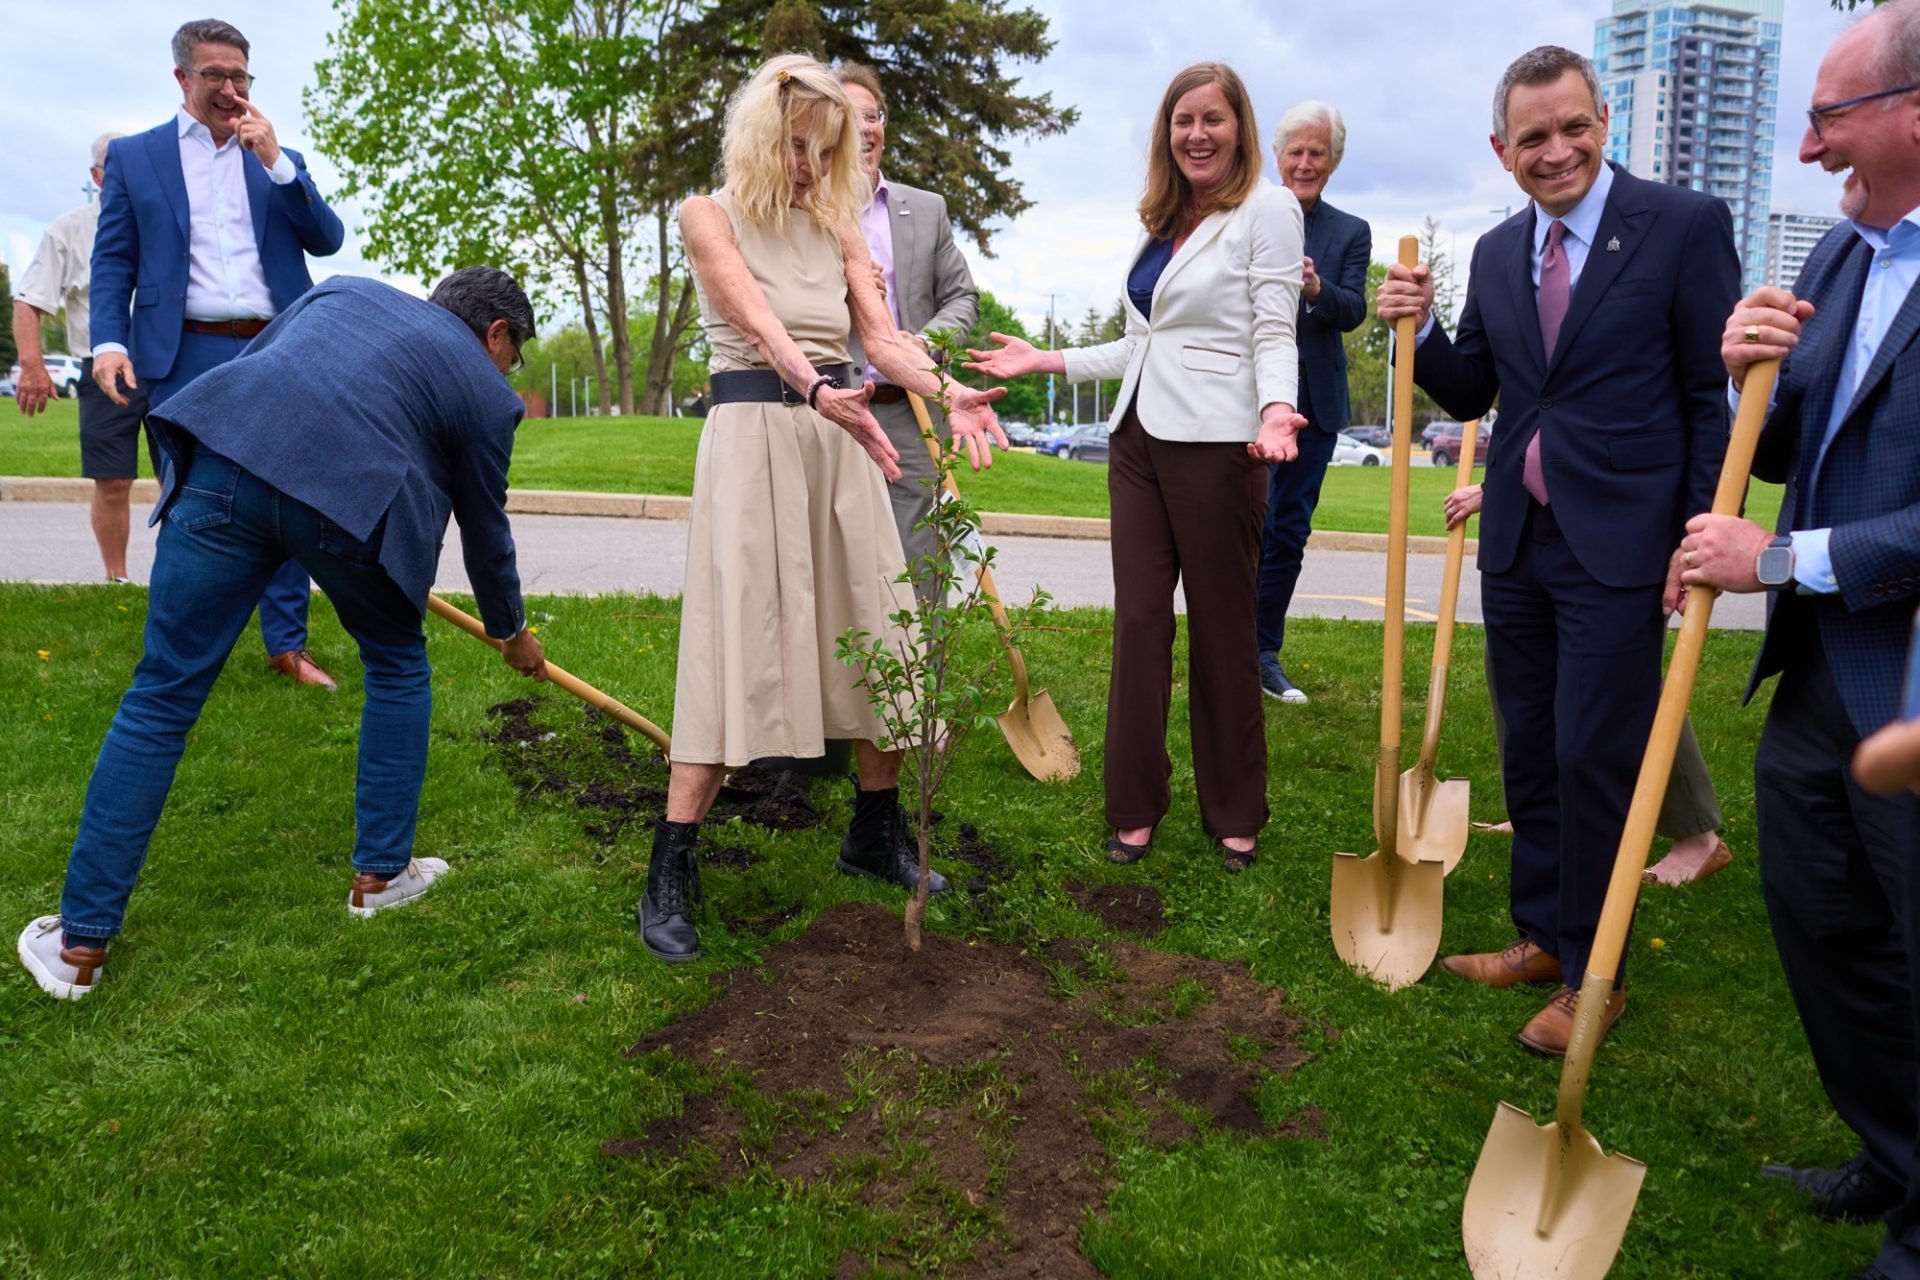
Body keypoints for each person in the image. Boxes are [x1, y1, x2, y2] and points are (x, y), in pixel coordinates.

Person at [15, 268, 548, 1002]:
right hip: (350, 507)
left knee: (162, 694)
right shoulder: (488, 393)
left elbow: (255, 371)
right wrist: (512, 631)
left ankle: (78, 949)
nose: (507, 370)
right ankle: (381, 876)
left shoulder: (344, 291)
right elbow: (486, 528)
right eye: (513, 355)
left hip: (225, 466)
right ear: (497, 334)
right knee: (396, 663)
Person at [1377, 45, 1738, 1055]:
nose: (1557, 150)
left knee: (1595, 753)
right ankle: (1541, 933)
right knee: (1528, 742)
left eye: (1573, 126)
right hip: (1521, 539)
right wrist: (1420, 326)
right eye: (1533, 137)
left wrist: (1701, 530)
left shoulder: (1680, 227)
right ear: (1503, 149)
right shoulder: (1498, 252)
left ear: (1603, 120)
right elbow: (1474, 389)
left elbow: (1711, 399)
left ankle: (1596, 969)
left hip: (1624, 540)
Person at [642, 55, 1007, 966]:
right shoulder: (706, 215)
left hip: (840, 441)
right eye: (798, 144)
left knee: (881, 630)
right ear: (764, 135)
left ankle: (875, 832)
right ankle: (671, 866)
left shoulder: (842, 223)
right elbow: (758, 319)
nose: (810, 163)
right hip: (758, 435)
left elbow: (879, 338)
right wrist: (814, 387)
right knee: (739, 641)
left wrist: (947, 386)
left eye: (826, 147)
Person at [1676, 5, 1920, 1272]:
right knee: (1824, 918)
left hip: (1913, 681)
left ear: (1912, 112)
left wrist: (1774, 561)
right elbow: (1780, 449)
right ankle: (1898, 1148)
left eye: (1830, 115)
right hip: (1826, 668)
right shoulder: (1834, 258)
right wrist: (1739, 372)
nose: (1813, 145)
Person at [968, 62, 1305, 874]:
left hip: (1224, 446)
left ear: (1239, 127)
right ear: (1167, 133)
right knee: (1141, 625)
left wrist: (1274, 409)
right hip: (1138, 445)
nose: (1196, 134)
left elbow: (1273, 324)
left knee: (1225, 633)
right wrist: (1043, 358)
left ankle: (1234, 812)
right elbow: (1139, 344)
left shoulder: (1268, 208)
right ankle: (1134, 807)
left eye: (1212, 120)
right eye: (1182, 120)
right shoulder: (1164, 219)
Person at [90, 18, 346, 690]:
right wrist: (109, 344)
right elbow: (114, 259)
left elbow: (326, 239)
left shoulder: (275, 155)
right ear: (182, 79)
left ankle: (287, 644)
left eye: (240, 76)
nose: (231, 89)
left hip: (277, 348)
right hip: (181, 353)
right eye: (215, 76)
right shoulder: (137, 157)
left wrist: (279, 163)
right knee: (185, 500)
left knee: (288, 494)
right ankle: (177, 649)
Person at [1447, 480, 1734, 886]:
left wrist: (1698, 533)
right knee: (1515, 661)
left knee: (1618, 677)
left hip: (1616, 515)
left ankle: (1695, 835)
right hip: (1533, 516)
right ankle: (1543, 810)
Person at [832, 62, 981, 600]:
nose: (865, 129)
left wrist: (923, 344)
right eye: (850, 118)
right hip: (836, 405)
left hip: (911, 408)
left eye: (873, 116)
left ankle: (923, 680)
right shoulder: (806, 212)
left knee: (919, 555)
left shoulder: (927, 209)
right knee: (839, 553)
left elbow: (963, 297)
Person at [1253, 101, 1371, 705]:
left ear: (1333, 161)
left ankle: (1262, 651)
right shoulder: (1244, 215)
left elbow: (1354, 310)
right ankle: (1224, 645)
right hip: (1246, 401)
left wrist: (1317, 287)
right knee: (1244, 525)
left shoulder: (1350, 231)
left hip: (1314, 409)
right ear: (1277, 157)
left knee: (1289, 530)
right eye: (1295, 152)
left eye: (1316, 153)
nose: (1304, 163)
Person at [13, 132, 156, 584]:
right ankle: (116, 578)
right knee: (112, 482)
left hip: (169, 366)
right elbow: (28, 301)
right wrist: (33, 366)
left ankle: (184, 580)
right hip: (105, 373)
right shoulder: (68, 230)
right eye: (117, 167)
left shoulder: (163, 217)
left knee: (188, 478)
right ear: (96, 177)